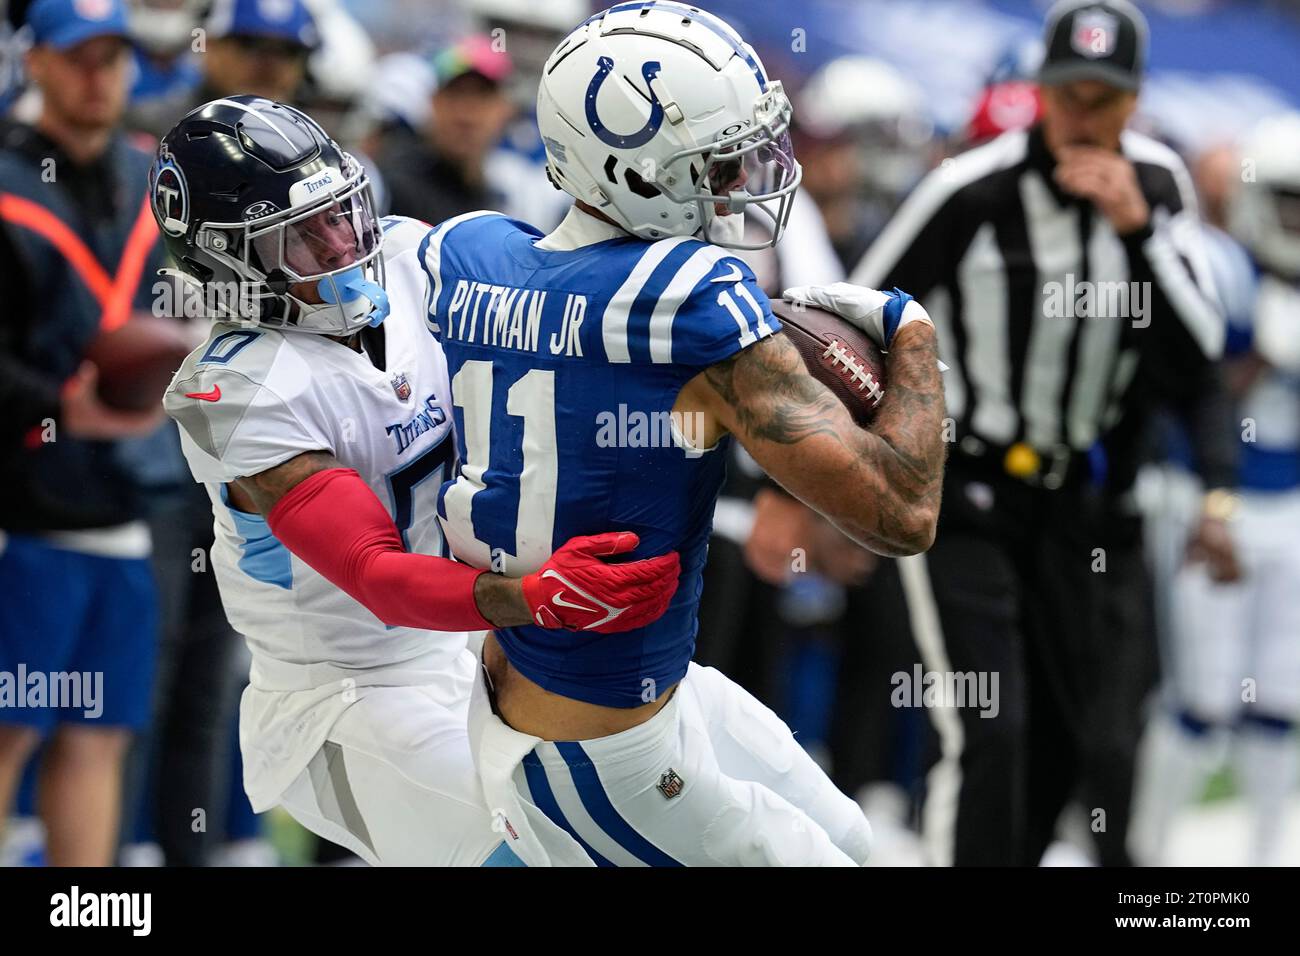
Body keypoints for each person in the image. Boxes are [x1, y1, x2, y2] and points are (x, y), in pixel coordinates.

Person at [425, 1, 946, 867]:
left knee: (857, 839)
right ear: (631, 168)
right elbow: (903, 512)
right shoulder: (683, 294)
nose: (744, 179)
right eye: (719, 161)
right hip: (595, 747)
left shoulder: (471, 251)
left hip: (604, 693)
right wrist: (912, 334)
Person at [155, 95, 680, 866]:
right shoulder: (240, 389)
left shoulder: (411, 258)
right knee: (538, 851)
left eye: (344, 215)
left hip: (469, 645)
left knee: (666, 804)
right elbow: (376, 573)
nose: (342, 244)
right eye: (303, 237)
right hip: (344, 694)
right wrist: (535, 599)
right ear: (231, 266)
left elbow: (560, 314)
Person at [850, 0, 1224, 866]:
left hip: (1080, 506)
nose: (1083, 118)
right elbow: (844, 322)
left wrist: (1140, 235)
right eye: (1069, 95)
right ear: (1040, 92)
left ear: (1134, 102)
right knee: (992, 726)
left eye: (1104, 99)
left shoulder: (1160, 186)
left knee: (1071, 737)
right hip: (969, 492)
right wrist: (863, 470)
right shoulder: (970, 190)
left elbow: (1198, 358)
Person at [0, 0, 167, 866]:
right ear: (36, 61)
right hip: (21, 514)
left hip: (120, 502)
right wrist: (61, 404)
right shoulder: (8, 178)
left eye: (114, 56)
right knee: (10, 733)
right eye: (79, 56)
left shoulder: (147, 179)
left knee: (100, 735)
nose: (98, 75)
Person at [1131, 113, 1300, 867]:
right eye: (1289, 200)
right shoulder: (1220, 267)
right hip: (1215, 504)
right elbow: (1185, 393)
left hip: (1292, 510)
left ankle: (1267, 861)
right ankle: (1151, 863)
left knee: (1281, 706)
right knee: (1199, 703)